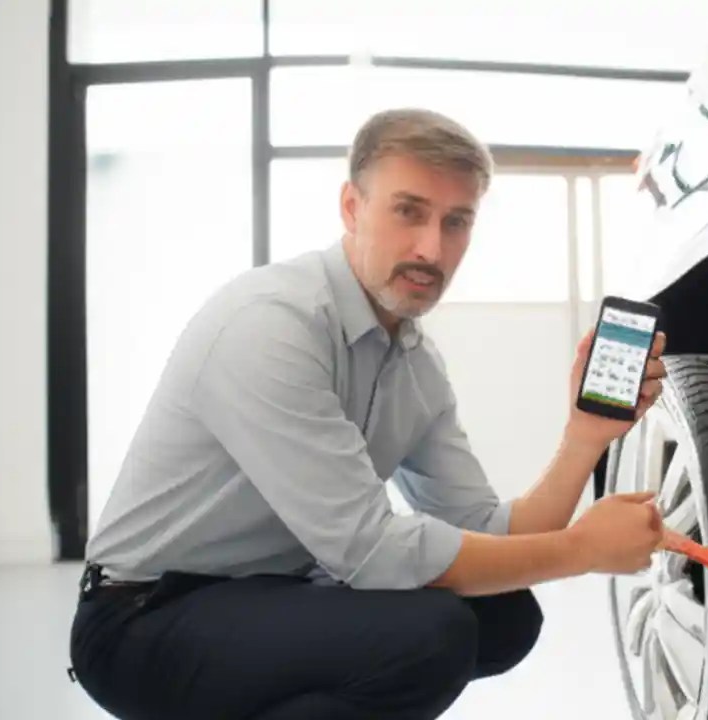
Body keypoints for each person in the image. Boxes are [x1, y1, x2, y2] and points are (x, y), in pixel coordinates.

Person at [68, 107, 670, 720]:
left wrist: (585, 436)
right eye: (408, 211)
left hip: (273, 589)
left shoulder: (415, 363)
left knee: (504, 615)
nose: (431, 249)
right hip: (142, 616)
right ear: (352, 208)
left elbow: (491, 531)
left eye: (456, 222)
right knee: (430, 635)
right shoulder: (270, 324)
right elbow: (373, 551)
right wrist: (582, 550)